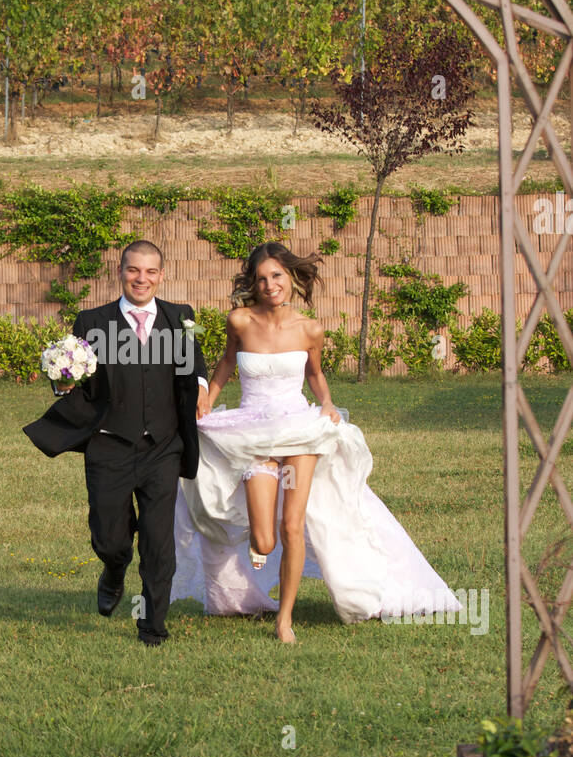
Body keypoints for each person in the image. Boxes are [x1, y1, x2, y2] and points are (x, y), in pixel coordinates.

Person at [171, 241, 459, 643]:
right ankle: (253, 563)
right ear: (253, 284)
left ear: (290, 278)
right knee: (264, 539)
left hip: (299, 431)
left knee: (292, 525)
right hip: (252, 434)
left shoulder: (310, 329)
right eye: (262, 278)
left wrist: (326, 403)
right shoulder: (239, 321)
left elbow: (315, 375)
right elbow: (224, 364)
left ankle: (284, 621)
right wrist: (207, 400)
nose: (271, 284)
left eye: (277, 276)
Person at [23, 240, 208, 646]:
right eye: (133, 270)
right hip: (109, 445)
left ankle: (153, 627)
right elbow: (76, 380)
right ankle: (114, 567)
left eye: (151, 271)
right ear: (119, 271)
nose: (142, 279)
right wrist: (63, 381)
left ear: (162, 275)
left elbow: (192, 365)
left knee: (159, 542)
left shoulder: (181, 318)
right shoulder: (91, 321)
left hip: (163, 447)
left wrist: (201, 386)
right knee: (110, 537)